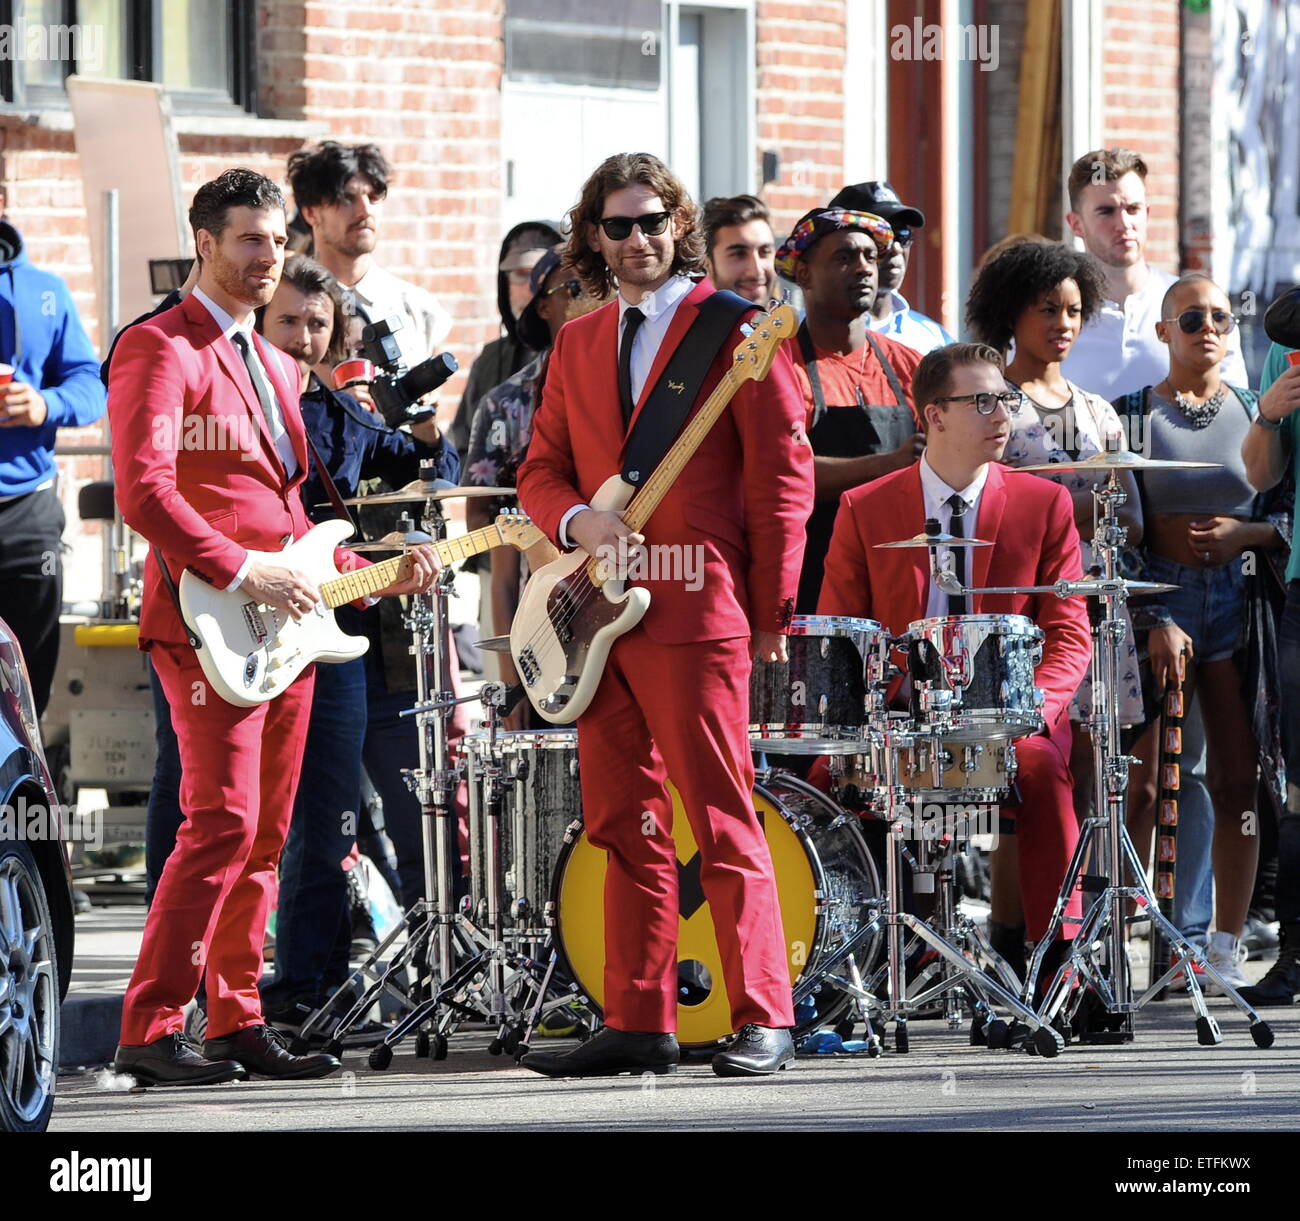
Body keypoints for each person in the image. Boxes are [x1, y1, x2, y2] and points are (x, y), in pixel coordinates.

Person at [107, 169, 437, 1087]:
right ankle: (150, 1024)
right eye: (248, 241)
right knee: (220, 822)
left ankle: (236, 1017)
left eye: (275, 243)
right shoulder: (159, 347)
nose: (266, 259)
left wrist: (364, 569)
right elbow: (146, 492)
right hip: (206, 616)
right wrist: (245, 567)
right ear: (204, 241)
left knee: (266, 831)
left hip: (284, 623)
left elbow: (295, 518)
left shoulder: (274, 361)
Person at [515, 152, 813, 1078]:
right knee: (620, 820)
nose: (637, 240)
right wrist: (579, 519)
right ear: (593, 238)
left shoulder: (736, 328)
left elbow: (781, 480)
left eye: (652, 222)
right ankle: (638, 1015)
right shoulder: (574, 340)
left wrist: (773, 611)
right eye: (618, 225)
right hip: (597, 615)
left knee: (721, 816)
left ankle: (764, 1011)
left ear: (677, 225)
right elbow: (538, 470)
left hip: (699, 607)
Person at [818, 342, 1091, 984]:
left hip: (1008, 718)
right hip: (901, 720)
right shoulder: (866, 507)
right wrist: (873, 716)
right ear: (934, 416)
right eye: (982, 402)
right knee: (823, 774)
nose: (1002, 414)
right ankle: (851, 964)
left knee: (1047, 772)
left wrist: (1035, 712)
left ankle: (1060, 963)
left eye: (1006, 399)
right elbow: (840, 637)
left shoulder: (1043, 505)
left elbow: (1069, 633)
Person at [254, 253, 460, 1034]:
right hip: (242, 623)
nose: (304, 338)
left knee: (329, 811)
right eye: (290, 322)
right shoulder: (239, 402)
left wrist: (422, 427)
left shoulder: (342, 416)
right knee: (237, 816)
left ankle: (313, 983)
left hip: (327, 629)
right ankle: (220, 988)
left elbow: (417, 463)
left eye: (318, 325)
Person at [1058, 146, 1242, 960]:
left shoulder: (1187, 301)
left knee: (1194, 763)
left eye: (1133, 206)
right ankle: (1097, 928)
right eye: (1105, 209)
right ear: (1076, 222)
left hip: (1215, 581)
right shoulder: (1063, 315)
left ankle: (1188, 930)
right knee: (1110, 762)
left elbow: (1239, 438)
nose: (1122, 223)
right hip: (1106, 573)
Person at [1116, 272, 1285, 993]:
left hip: (1236, 603)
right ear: (1163, 332)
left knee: (1237, 780)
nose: (1208, 327)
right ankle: (1131, 931)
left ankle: (1222, 942)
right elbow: (1111, 528)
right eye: (1191, 317)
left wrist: (1243, 531)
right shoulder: (1126, 413)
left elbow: (1283, 515)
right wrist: (1152, 613)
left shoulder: (1256, 409)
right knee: (1150, 781)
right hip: (1161, 599)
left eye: (1220, 315)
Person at [464, 245, 603, 723]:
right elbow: (490, 535)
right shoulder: (505, 404)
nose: (593, 296)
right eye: (574, 287)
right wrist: (510, 680)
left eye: (600, 281)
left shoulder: (634, 387)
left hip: (624, 611)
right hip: (537, 627)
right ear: (543, 306)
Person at [775, 206, 925, 611]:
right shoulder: (779, 367)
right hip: (814, 578)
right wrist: (890, 464)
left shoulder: (908, 364)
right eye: (844, 257)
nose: (863, 269)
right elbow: (781, 476)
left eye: (870, 257)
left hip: (901, 575)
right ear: (803, 273)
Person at [0, 197, 106, 716]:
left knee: (26, 693)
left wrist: (45, 404)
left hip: (27, 512)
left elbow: (92, 388)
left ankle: (24, 797)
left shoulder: (46, 291)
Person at [1241, 302, 1300, 1004]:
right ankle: (1295, 951)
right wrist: (1266, 414)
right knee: (1296, 787)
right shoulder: (1285, 354)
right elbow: (1260, 476)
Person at [287, 141, 451, 374]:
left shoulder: (417, 308)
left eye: (374, 196)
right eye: (346, 198)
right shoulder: (281, 305)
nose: (365, 211)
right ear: (311, 213)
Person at [452, 219, 563, 459]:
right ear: (505, 283)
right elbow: (463, 446)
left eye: (540, 275)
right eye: (520, 276)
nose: (530, 288)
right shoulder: (489, 360)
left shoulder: (590, 354)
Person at [830, 180, 953, 355]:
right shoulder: (797, 334)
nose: (896, 248)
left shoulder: (933, 339)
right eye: (880, 237)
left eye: (902, 235)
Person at [701, 194, 777, 305]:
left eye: (765, 252)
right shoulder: (682, 321)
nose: (756, 271)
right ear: (708, 266)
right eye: (739, 254)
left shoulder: (800, 321)